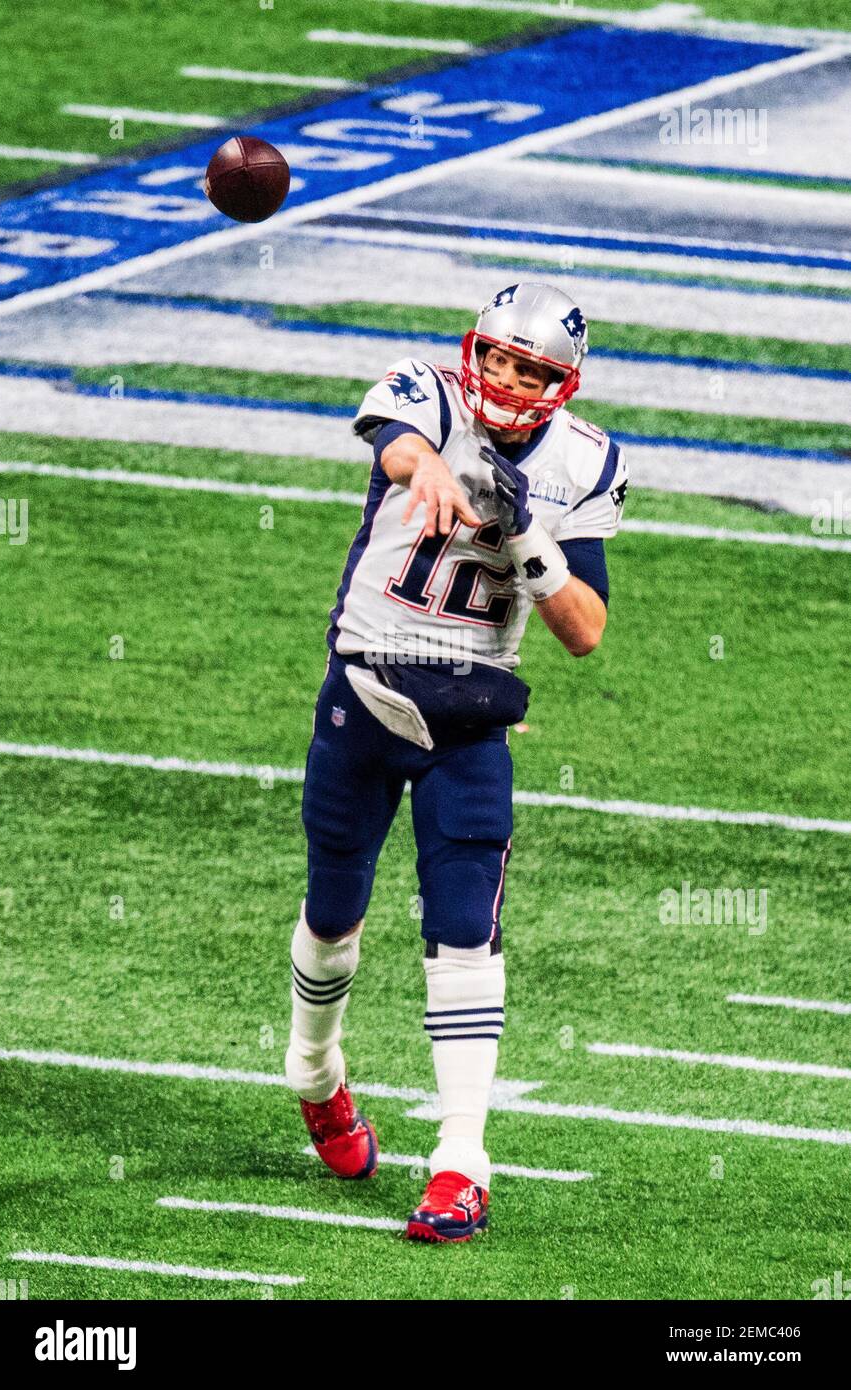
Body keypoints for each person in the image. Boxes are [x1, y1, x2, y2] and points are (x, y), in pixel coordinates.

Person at [286, 282, 628, 1242]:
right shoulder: (430, 397)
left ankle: (460, 1162)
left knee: (466, 929)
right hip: (365, 687)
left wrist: (526, 539)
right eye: (503, 358)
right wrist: (428, 470)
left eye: (534, 369)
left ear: (563, 383)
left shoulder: (586, 461)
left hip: (473, 711)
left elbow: (586, 631)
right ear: (475, 350)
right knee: (334, 907)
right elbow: (393, 440)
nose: (512, 380)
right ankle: (314, 1072)